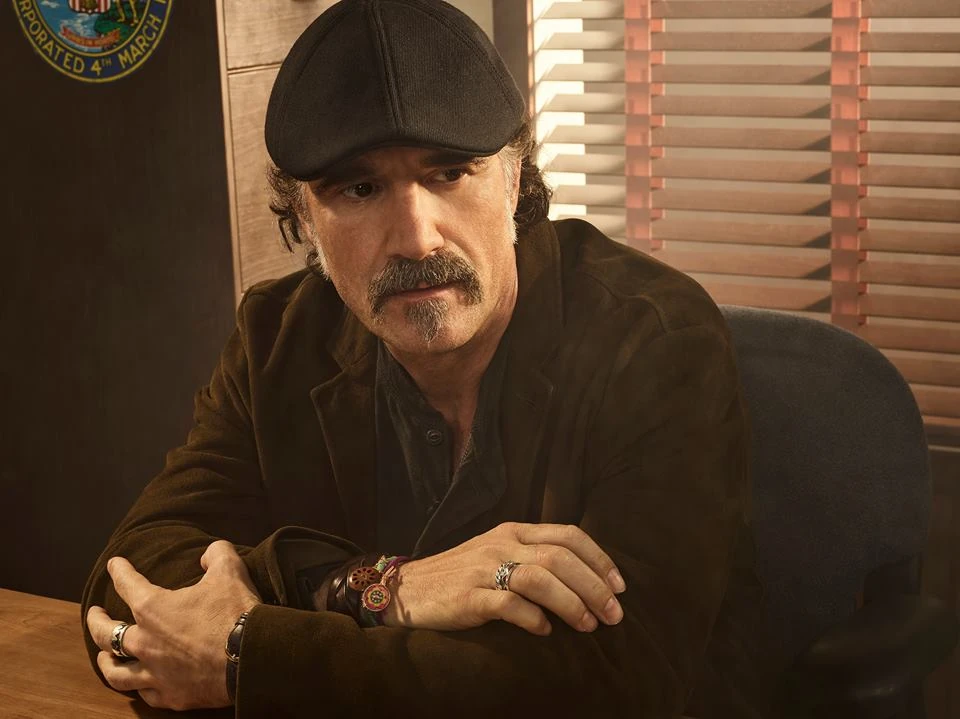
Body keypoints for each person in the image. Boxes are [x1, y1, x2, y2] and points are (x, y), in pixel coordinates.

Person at [82, 0, 769, 716]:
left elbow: (611, 686)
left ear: (513, 179)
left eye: (450, 173)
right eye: (360, 188)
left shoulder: (656, 341)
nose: (416, 238)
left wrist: (251, 654)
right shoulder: (275, 336)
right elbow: (129, 585)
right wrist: (385, 587)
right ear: (303, 217)